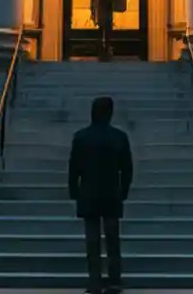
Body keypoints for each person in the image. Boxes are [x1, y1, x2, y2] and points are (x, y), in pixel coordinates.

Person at [68, 95, 134, 294]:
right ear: (110, 113)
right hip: (111, 193)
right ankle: (114, 281)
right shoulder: (119, 137)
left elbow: (74, 168)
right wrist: (123, 191)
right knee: (113, 240)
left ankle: (94, 281)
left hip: (88, 193)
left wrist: (74, 191)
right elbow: (127, 168)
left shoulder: (81, 137)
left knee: (92, 240)